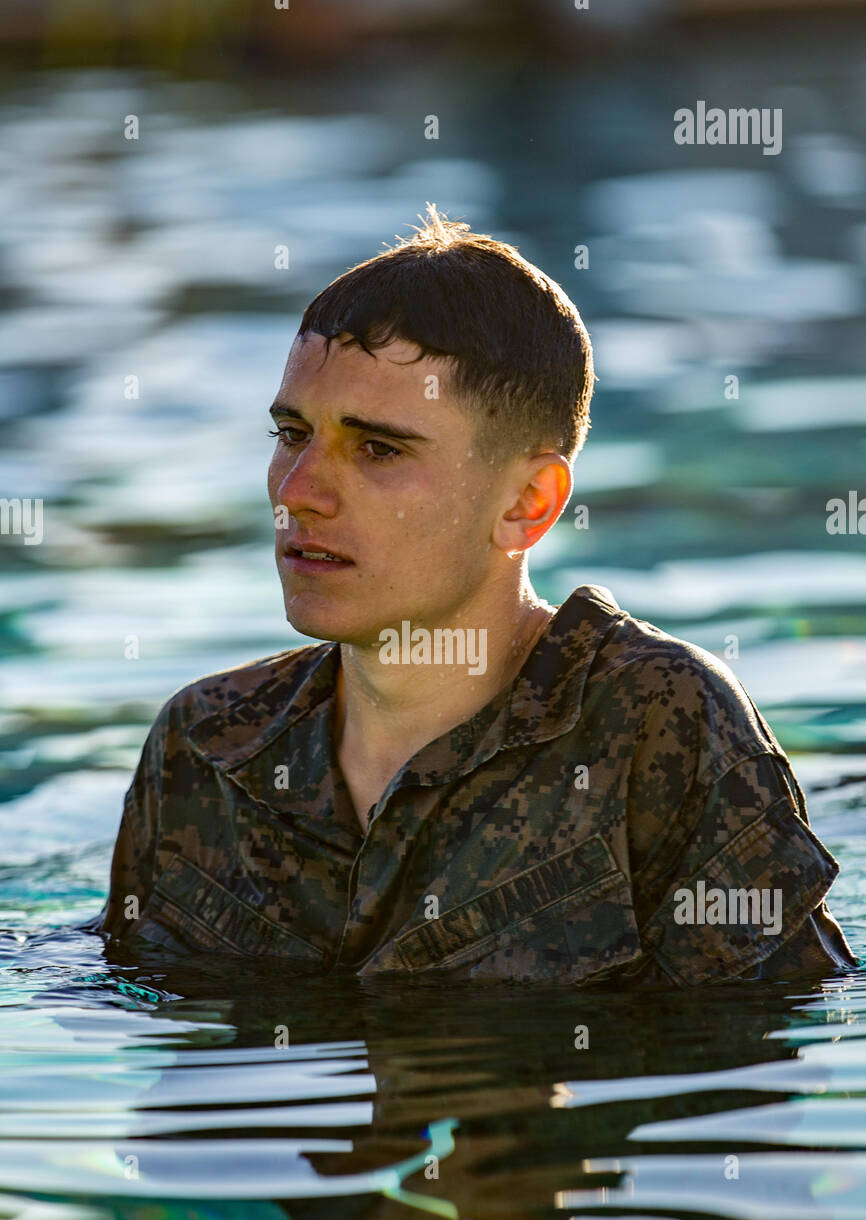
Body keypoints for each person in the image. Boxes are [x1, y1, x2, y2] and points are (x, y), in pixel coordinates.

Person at [82, 206, 857, 987]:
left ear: (528, 501)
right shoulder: (207, 746)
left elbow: (759, 1058)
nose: (300, 491)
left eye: (378, 448)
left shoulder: (658, 727)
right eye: (292, 434)